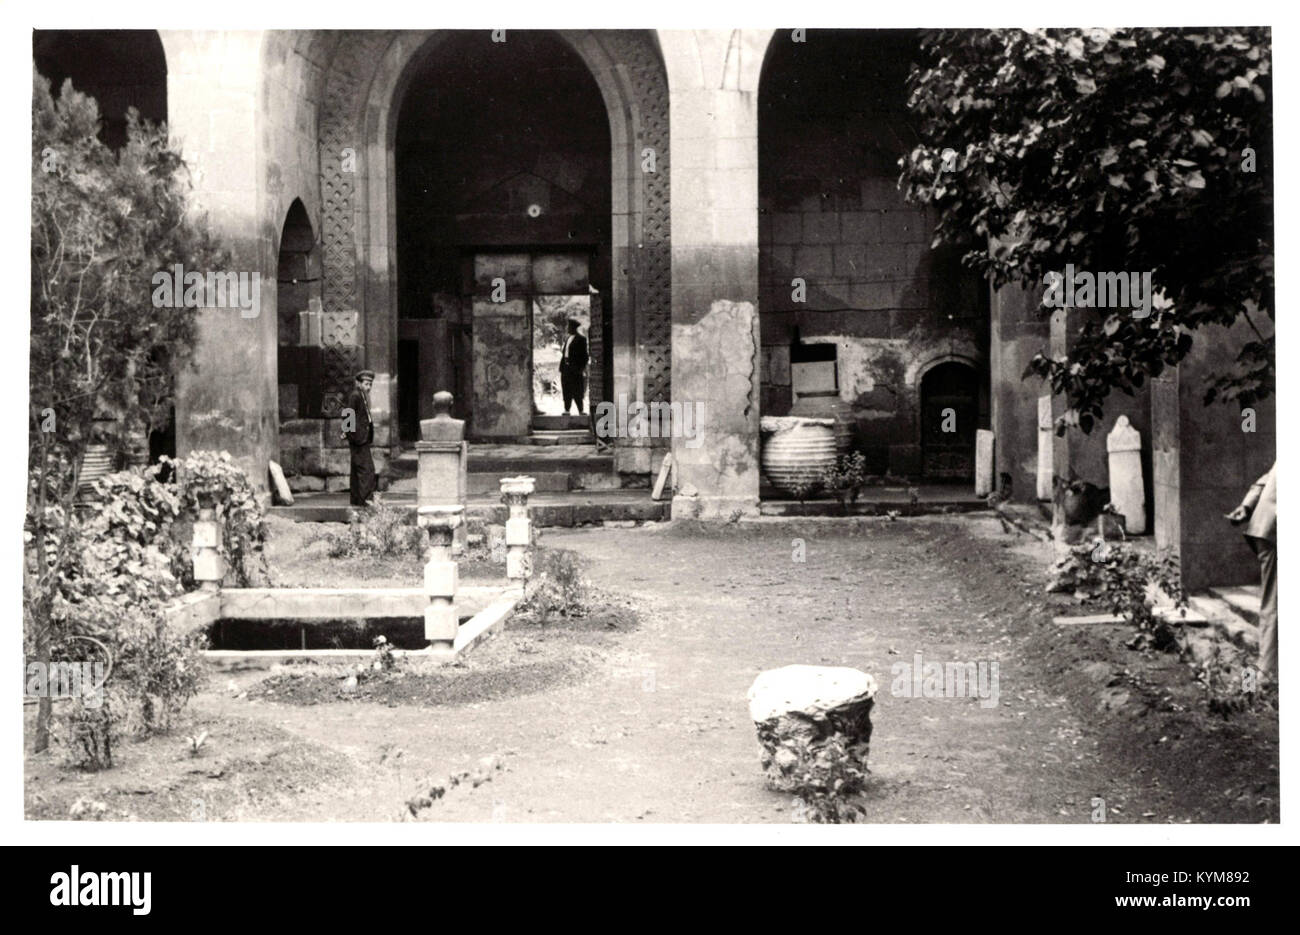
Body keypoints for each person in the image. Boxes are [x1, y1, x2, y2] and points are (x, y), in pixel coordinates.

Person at [1226, 461, 1277, 681]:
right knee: (1276, 601)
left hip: (1267, 524)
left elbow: (1264, 479)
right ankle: (1266, 673)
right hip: (1276, 529)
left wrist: (1246, 506)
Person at [344, 369, 377, 508]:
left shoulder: (363, 396)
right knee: (367, 470)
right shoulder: (355, 396)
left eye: (370, 384)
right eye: (366, 384)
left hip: (362, 438)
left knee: (358, 469)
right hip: (358, 439)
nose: (368, 387)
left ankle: (357, 500)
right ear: (359, 384)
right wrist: (350, 434)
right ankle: (366, 502)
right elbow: (348, 414)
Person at [559, 318, 588, 416]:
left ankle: (581, 410)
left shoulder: (581, 339)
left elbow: (584, 356)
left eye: (569, 326)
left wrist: (580, 368)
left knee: (577, 390)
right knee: (566, 388)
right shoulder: (568, 338)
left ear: (573, 327)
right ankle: (567, 410)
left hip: (575, 369)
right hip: (565, 368)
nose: (567, 328)